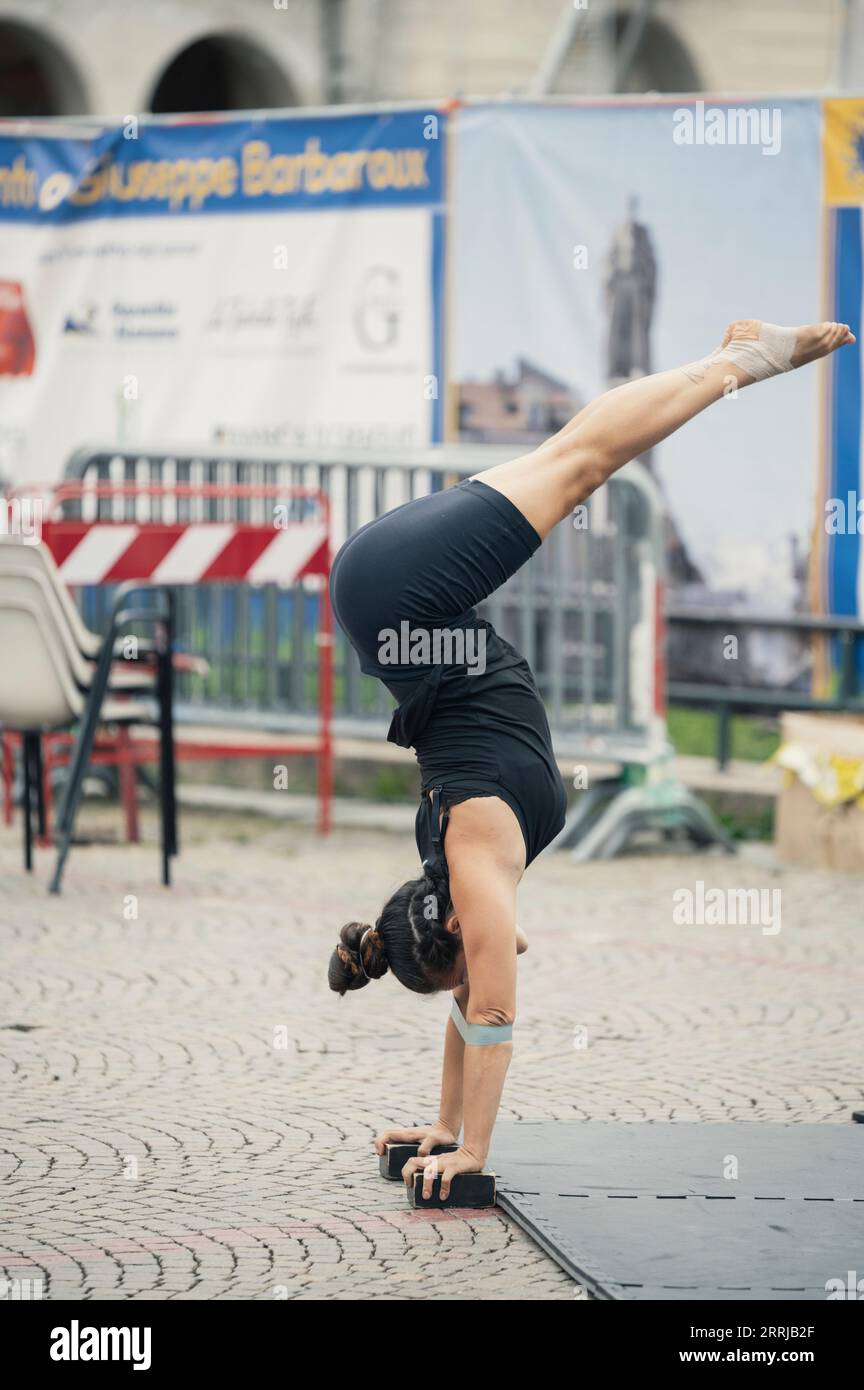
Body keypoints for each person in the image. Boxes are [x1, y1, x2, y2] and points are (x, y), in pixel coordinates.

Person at [327, 319, 855, 1200]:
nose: (497, 958)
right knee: (576, 453)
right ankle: (733, 358)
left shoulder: (472, 863)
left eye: (469, 955)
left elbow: (489, 1010)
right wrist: (441, 1124)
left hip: (401, 603)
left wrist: (471, 1154)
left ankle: (741, 362)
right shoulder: (464, 876)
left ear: (453, 925)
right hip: (396, 607)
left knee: (583, 463)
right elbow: (476, 991)